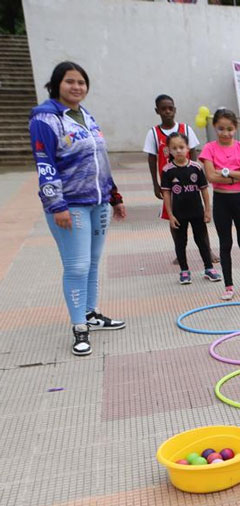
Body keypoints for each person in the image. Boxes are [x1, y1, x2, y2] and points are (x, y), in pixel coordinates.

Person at [29, 61, 126, 356]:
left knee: (94, 262)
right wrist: (56, 204)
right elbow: (45, 164)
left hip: (98, 202)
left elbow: (101, 159)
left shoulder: (84, 115)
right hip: (70, 205)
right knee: (77, 266)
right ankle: (78, 328)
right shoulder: (45, 119)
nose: (77, 87)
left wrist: (114, 195)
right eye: (70, 82)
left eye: (81, 82)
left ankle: (90, 313)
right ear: (57, 84)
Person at [143, 94, 218, 265]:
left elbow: (194, 153)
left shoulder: (186, 129)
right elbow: (151, 158)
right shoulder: (153, 133)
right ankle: (180, 251)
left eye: (170, 108)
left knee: (198, 219)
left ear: (175, 109)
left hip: (189, 183)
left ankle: (208, 250)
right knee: (174, 219)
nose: (167, 111)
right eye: (163, 109)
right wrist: (156, 184)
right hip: (170, 186)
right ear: (157, 111)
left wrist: (198, 176)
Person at [199, 109, 240, 300]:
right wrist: (236, 172)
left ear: (236, 128)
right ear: (215, 127)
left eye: (230, 129)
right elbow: (210, 176)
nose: (225, 133)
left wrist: (225, 173)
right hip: (221, 200)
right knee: (225, 244)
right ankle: (229, 285)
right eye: (221, 129)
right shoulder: (209, 148)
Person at [160, 133, 219, 285]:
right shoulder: (167, 171)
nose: (178, 150)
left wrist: (207, 210)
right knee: (180, 242)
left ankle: (209, 268)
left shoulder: (196, 167)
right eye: (174, 148)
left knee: (202, 241)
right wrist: (170, 215)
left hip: (197, 212)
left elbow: (204, 190)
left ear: (187, 148)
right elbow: (166, 194)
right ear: (169, 151)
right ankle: (184, 270)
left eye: (181, 147)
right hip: (179, 214)